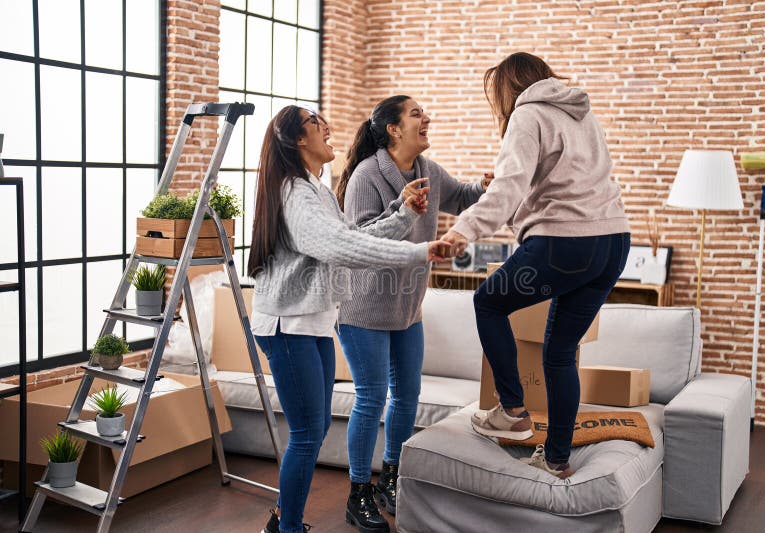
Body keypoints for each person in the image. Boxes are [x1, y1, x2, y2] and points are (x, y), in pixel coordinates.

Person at [248, 105, 451, 533]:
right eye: (314, 122)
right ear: (297, 139)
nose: (326, 125)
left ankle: (284, 521)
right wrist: (419, 250)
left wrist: (404, 217)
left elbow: (351, 238)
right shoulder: (295, 192)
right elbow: (340, 248)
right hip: (288, 325)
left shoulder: (316, 188)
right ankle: (287, 528)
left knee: (315, 427)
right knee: (307, 434)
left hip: (313, 320)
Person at [442, 52, 631, 479]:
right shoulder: (582, 113)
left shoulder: (526, 115)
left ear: (509, 88)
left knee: (488, 303)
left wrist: (462, 231)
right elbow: (567, 184)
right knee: (560, 353)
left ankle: (511, 411)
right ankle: (557, 459)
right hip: (614, 242)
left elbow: (511, 187)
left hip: (566, 244)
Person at [333, 95, 491, 532]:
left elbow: (460, 198)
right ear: (393, 129)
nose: (428, 118)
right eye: (417, 113)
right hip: (364, 307)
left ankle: (392, 478)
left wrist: (487, 186)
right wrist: (402, 211)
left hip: (407, 309)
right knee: (371, 398)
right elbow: (361, 242)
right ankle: (358, 493)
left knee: (407, 396)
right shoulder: (368, 175)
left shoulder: (427, 170)